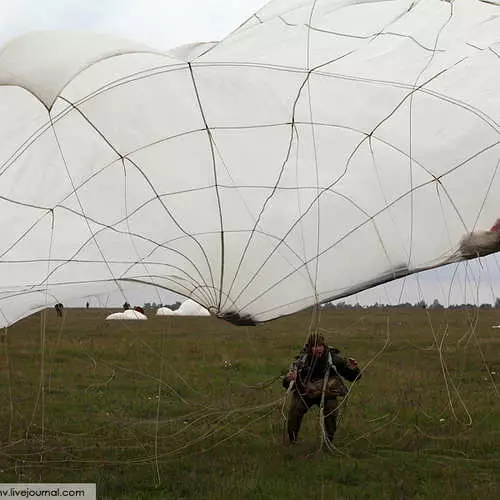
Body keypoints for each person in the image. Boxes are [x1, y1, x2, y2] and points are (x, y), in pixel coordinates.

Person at [282, 332, 361, 445]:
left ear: (324, 346)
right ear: (310, 348)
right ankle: (292, 440)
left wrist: (354, 369)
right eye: (314, 346)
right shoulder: (302, 361)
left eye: (320, 346)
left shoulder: (334, 360)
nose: (317, 349)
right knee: (295, 410)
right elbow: (287, 385)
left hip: (327, 393)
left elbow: (353, 378)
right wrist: (289, 379)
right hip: (306, 393)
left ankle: (328, 441)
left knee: (331, 409)